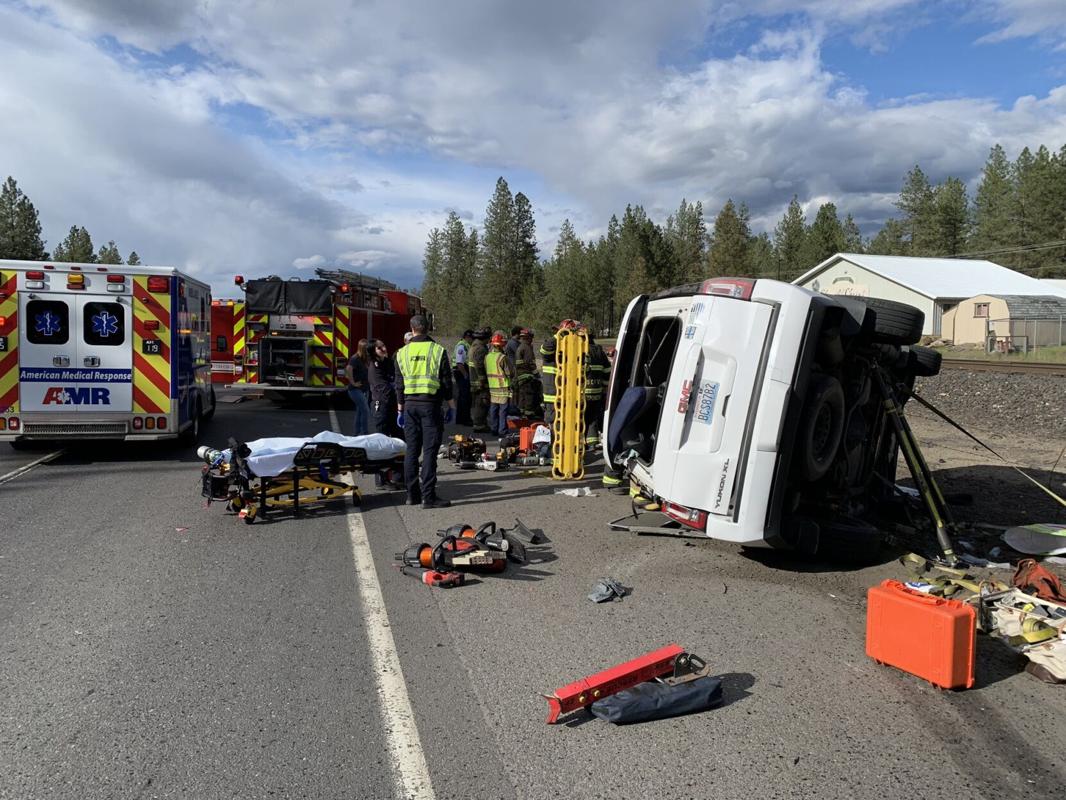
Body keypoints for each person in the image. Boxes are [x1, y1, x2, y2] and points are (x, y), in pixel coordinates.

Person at [395, 315, 455, 509]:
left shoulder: (401, 353)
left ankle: (412, 495)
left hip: (410, 406)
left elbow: (399, 384)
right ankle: (428, 497)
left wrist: (400, 409)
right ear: (428, 328)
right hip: (430, 405)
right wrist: (451, 405)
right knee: (429, 451)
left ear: (411, 329)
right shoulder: (438, 351)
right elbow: (446, 382)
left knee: (412, 451)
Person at [584, 331, 611, 449]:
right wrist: (604, 387)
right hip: (596, 392)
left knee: (581, 418)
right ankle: (592, 443)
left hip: (582, 393)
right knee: (593, 417)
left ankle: (581, 444)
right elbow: (607, 371)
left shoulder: (580, 350)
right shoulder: (599, 351)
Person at [368, 339, 400, 437]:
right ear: (373, 351)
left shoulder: (389, 362)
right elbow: (384, 388)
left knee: (399, 437)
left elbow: (398, 378)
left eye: (384, 345)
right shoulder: (374, 367)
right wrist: (399, 389)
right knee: (383, 438)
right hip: (382, 405)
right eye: (379, 348)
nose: (384, 349)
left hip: (393, 404)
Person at [485, 331, 513, 437]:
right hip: (502, 387)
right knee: (503, 410)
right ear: (501, 345)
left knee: (493, 409)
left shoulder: (487, 357)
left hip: (492, 387)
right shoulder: (502, 357)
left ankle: (494, 429)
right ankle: (502, 431)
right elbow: (509, 372)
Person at [345, 338, 371, 435]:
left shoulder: (365, 359)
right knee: (365, 410)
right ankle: (365, 433)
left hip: (364, 389)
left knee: (360, 411)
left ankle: (356, 434)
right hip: (355, 390)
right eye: (367, 348)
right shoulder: (355, 358)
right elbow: (348, 369)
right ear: (362, 349)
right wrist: (353, 382)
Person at [468, 327, 491, 433]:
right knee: (482, 403)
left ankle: (480, 423)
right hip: (479, 382)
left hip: (474, 380)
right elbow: (480, 366)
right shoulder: (481, 349)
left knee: (478, 402)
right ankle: (479, 425)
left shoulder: (474, 346)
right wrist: (483, 381)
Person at [513, 328, 539, 417]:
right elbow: (530, 363)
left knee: (522, 395)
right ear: (528, 338)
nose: (532, 340)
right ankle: (529, 413)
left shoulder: (520, 347)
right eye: (531, 338)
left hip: (520, 375)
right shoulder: (527, 348)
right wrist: (536, 374)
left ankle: (522, 412)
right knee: (529, 395)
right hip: (527, 376)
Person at [453, 329, 474, 427]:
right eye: (472, 338)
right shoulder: (462, 346)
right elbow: (459, 362)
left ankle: (460, 419)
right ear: (467, 337)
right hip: (461, 371)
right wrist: (465, 375)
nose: (472, 340)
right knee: (465, 397)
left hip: (461, 371)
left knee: (462, 397)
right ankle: (465, 419)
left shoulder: (466, 345)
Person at [539, 334, 557, 426]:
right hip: (552, 394)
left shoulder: (571, 349)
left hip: (565, 395)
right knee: (552, 419)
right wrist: (557, 337)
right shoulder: (550, 354)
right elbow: (544, 349)